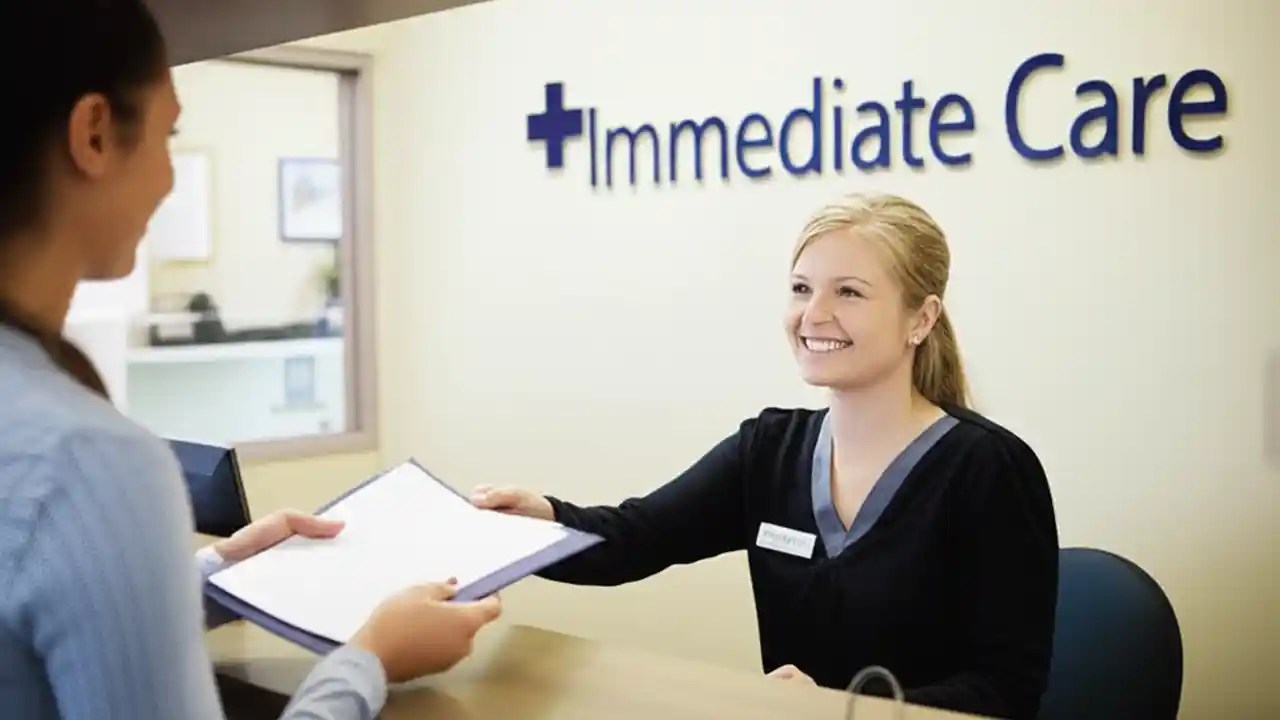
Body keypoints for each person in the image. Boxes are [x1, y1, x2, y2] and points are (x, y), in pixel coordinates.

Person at [0, 3, 500, 719]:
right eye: (170, 136)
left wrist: (218, 572)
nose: (168, 178)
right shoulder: (85, 462)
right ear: (95, 134)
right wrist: (370, 659)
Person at [472, 191, 1060, 719]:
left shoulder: (989, 469)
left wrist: (839, 710)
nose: (813, 315)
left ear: (921, 319)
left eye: (849, 292)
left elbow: (1005, 691)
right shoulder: (768, 452)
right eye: (802, 289)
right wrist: (537, 521)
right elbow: (634, 537)